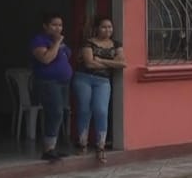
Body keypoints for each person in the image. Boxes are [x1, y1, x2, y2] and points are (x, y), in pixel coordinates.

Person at [74, 16, 126, 162]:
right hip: (84, 79)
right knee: (85, 109)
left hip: (103, 81)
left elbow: (123, 63)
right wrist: (112, 63)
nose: (107, 30)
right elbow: (89, 64)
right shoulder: (88, 43)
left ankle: (100, 146)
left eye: (110, 27)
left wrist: (102, 60)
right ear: (97, 28)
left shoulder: (116, 44)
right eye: (104, 27)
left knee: (101, 110)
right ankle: (82, 143)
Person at [29, 12, 73, 162]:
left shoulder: (60, 42)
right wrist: (56, 43)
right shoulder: (39, 40)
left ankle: (52, 147)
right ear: (45, 26)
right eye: (54, 25)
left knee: (60, 113)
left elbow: (66, 56)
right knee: (55, 112)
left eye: (60, 25)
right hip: (48, 82)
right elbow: (46, 59)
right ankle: (48, 149)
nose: (58, 28)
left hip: (63, 82)